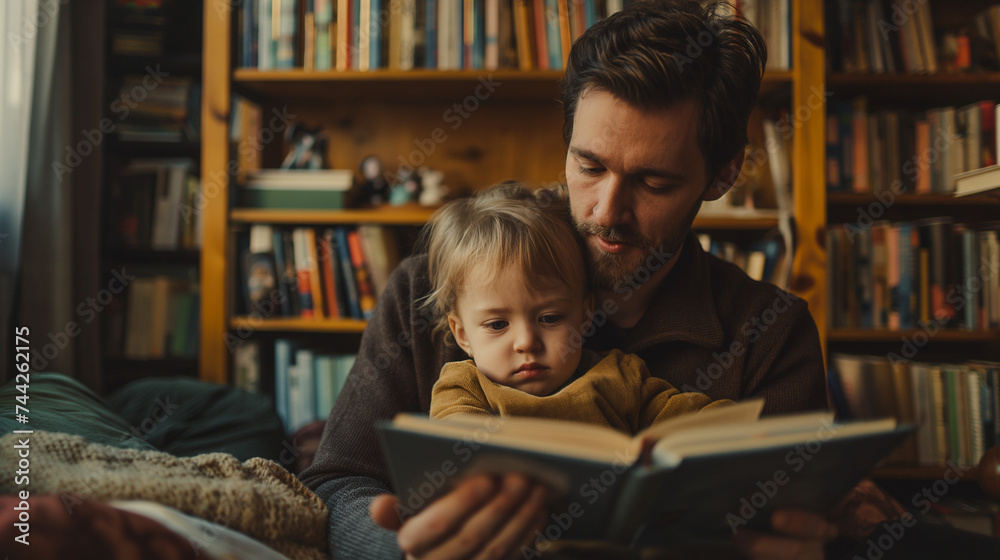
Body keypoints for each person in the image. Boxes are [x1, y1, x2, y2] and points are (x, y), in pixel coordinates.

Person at [300, 1, 840, 558]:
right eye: (589, 166)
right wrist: (409, 551)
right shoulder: (428, 289)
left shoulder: (770, 335)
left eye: (653, 183)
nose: (607, 211)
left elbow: (787, 516)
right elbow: (337, 484)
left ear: (723, 174)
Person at [423, 183, 733, 428]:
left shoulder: (619, 377)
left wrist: (728, 424)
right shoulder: (465, 388)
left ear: (585, 315)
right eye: (497, 324)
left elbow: (681, 417)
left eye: (549, 318)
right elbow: (453, 445)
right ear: (462, 334)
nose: (526, 342)